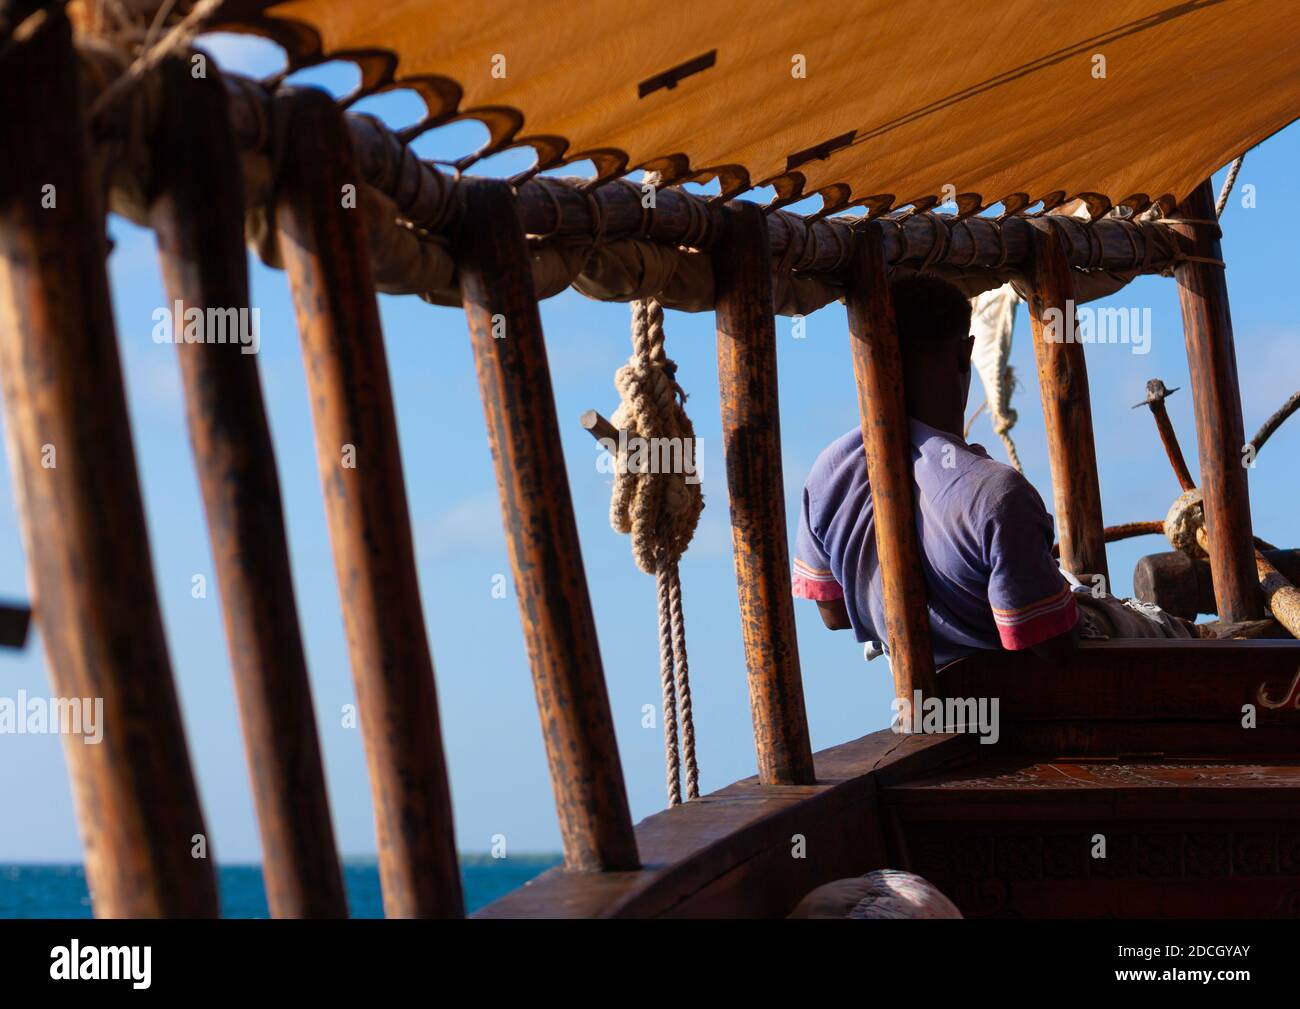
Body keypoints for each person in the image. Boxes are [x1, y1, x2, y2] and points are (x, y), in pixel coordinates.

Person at [791, 274, 1188, 669]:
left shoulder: (827, 473)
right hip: (1029, 709)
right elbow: (1054, 646)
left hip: (930, 706)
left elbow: (834, 614)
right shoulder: (997, 494)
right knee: (1163, 630)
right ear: (965, 354)